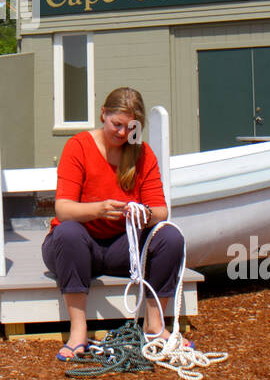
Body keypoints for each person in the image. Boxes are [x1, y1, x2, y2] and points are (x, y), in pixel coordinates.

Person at [43, 86, 189, 361]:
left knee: (169, 236)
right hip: (75, 246)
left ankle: (155, 326)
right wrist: (98, 210)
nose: (122, 133)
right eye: (116, 124)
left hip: (123, 249)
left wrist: (145, 215)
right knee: (69, 232)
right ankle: (78, 330)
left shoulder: (142, 153)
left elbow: (160, 211)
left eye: (130, 127)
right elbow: (63, 209)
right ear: (103, 115)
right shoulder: (79, 146)